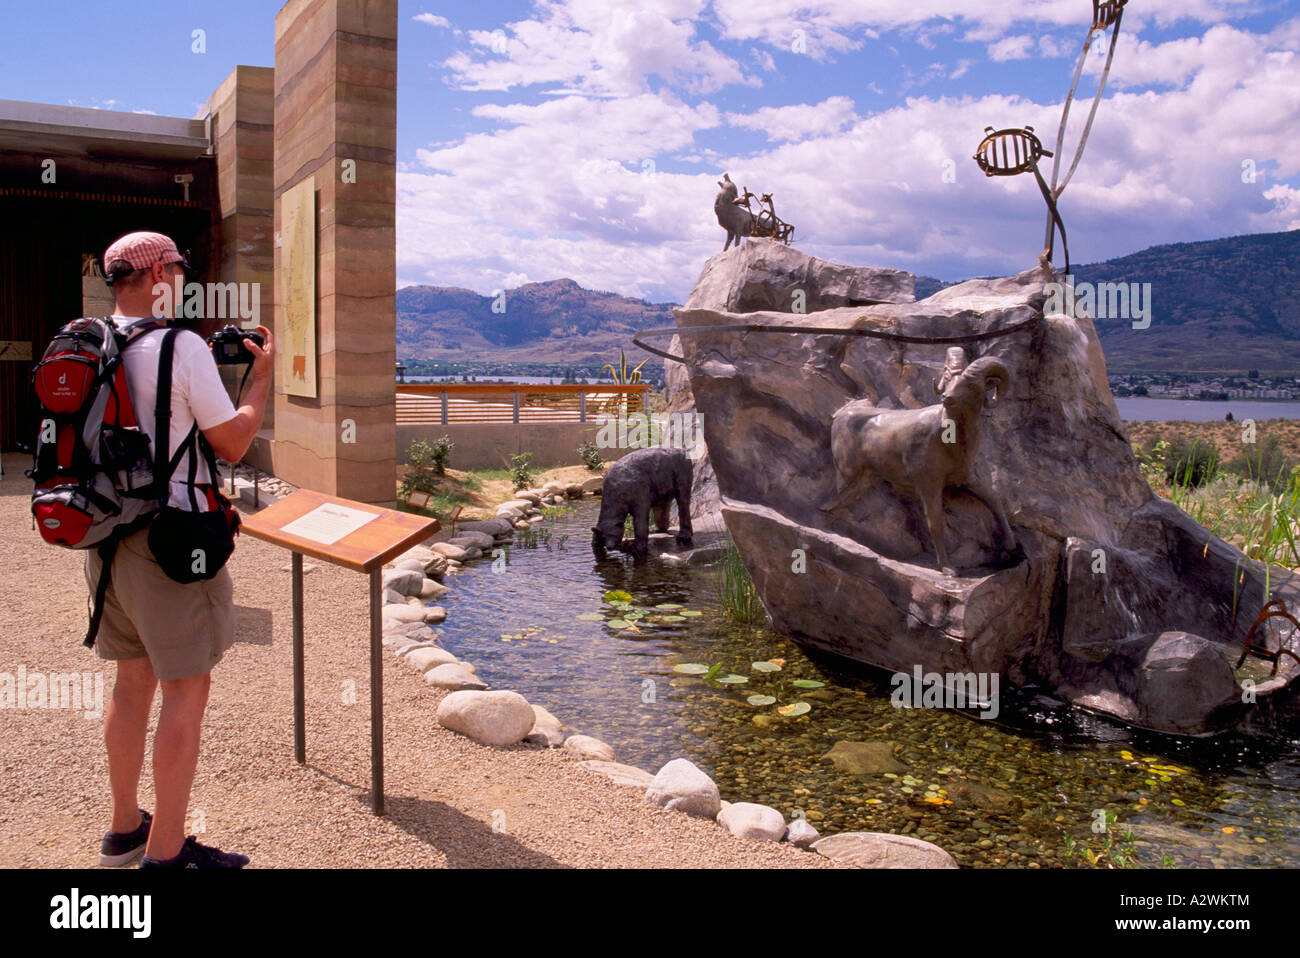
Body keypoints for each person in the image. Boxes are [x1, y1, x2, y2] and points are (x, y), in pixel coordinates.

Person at [89, 231, 273, 869]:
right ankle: (165, 857)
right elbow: (231, 444)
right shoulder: (181, 345)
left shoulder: (87, 338)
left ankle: (123, 831)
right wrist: (260, 380)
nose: (184, 278)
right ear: (152, 273)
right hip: (172, 540)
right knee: (186, 691)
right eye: (178, 267)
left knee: (131, 681)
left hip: (107, 537)